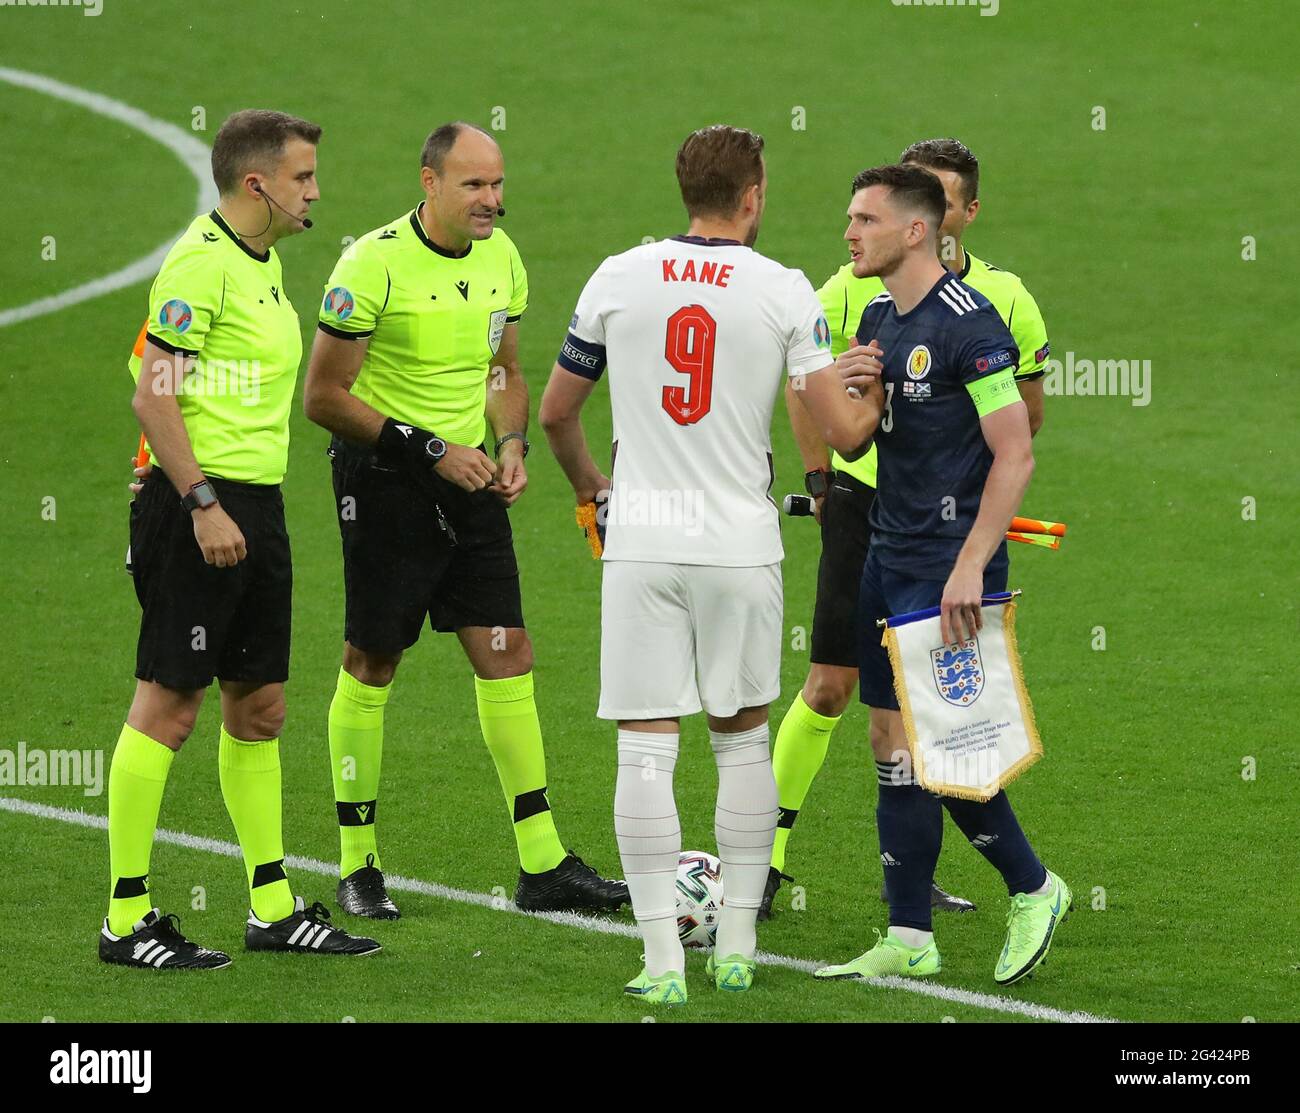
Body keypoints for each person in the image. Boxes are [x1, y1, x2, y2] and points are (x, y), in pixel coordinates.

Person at [539, 126, 881, 1003]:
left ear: (686, 189)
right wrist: (867, 383)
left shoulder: (619, 274)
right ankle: (735, 948)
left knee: (646, 749)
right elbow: (842, 433)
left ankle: (660, 961)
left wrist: (594, 492)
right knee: (742, 740)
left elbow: (554, 413)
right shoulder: (782, 288)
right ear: (754, 196)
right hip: (738, 542)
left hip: (644, 539)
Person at [303, 122, 626, 919]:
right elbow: (324, 398)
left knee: (507, 652)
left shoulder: (501, 258)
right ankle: (357, 863)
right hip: (384, 479)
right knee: (373, 660)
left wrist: (510, 441)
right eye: (475, 185)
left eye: (498, 183)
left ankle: (543, 862)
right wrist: (431, 448)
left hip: (471, 475)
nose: (493, 200)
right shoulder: (369, 263)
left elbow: (505, 371)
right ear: (430, 182)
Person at [104, 109, 379, 970]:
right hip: (201, 509)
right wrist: (197, 498)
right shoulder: (201, 265)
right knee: (170, 703)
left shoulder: (261, 265)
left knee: (258, 707)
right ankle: (127, 918)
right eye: (303, 177)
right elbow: (155, 394)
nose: (315, 191)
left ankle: (270, 905)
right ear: (256, 183)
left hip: (252, 507)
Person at [763, 138, 1051, 919]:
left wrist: (971, 559)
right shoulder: (879, 310)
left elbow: (1016, 443)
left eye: (864, 218)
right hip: (877, 533)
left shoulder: (980, 314)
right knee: (882, 733)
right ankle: (904, 924)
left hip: (946, 551)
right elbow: (852, 429)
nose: (849, 232)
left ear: (928, 223)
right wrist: (840, 400)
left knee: (947, 738)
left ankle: (1032, 887)